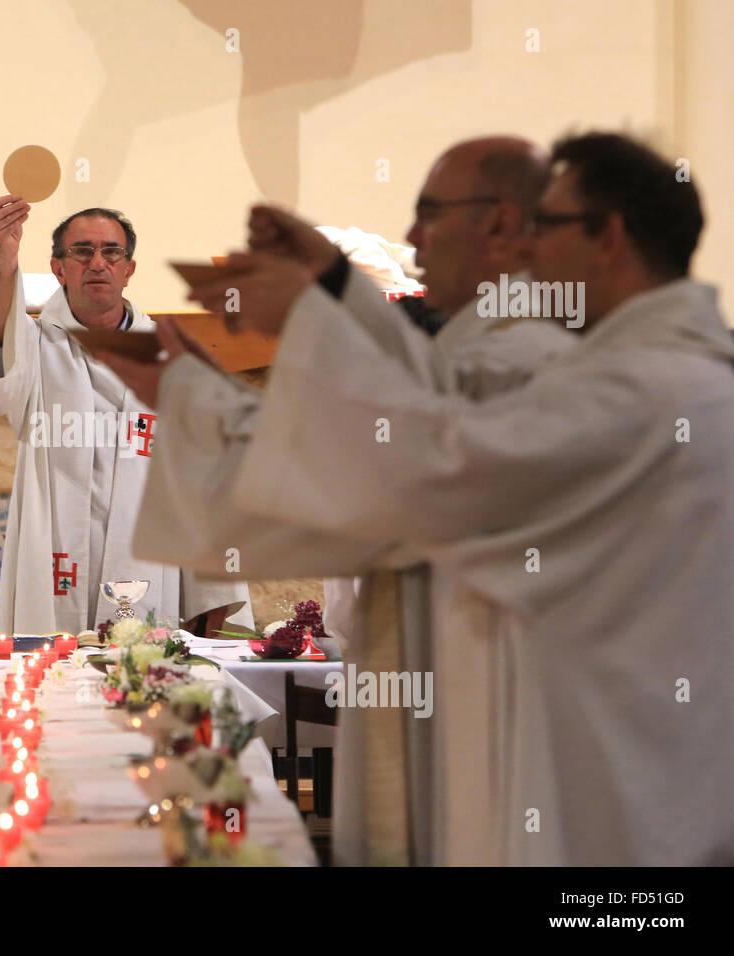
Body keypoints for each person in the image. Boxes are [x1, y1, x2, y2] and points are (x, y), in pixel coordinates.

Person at [141, 132, 734, 865]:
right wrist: (325, 290)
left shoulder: (638, 388)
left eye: (542, 228)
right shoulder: (649, 374)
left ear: (607, 238)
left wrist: (233, 377)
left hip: (620, 798)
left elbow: (424, 474)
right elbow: (427, 425)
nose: (525, 250)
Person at [102, 136, 576, 864]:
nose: (414, 239)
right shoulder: (475, 345)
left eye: (429, 214)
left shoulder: (526, 350)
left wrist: (203, 396)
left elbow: (378, 478)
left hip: (489, 689)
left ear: (504, 224)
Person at [0, 196, 253, 638]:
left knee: (141, 687)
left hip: (147, 560)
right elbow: (0, 359)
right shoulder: (36, 346)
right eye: (81, 251)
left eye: (111, 252)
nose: (97, 262)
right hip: (57, 553)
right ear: (59, 268)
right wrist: (6, 259)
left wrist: (212, 586)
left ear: (128, 269)